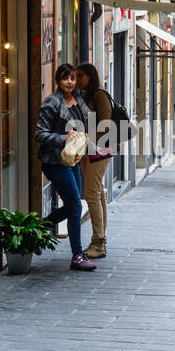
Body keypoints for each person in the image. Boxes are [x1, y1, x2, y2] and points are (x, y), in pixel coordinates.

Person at [36, 63, 97, 271]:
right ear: (58, 80)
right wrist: (63, 137)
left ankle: (39, 228)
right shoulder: (51, 103)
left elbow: (88, 118)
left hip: (73, 160)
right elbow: (40, 134)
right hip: (54, 161)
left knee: (74, 204)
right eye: (65, 78)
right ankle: (77, 256)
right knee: (76, 206)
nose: (69, 82)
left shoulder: (78, 99)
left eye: (72, 78)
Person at [74, 62, 112, 260]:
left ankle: (98, 242)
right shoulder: (82, 96)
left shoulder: (99, 95)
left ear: (91, 76)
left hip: (100, 149)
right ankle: (100, 239)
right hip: (86, 150)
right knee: (97, 192)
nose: (77, 79)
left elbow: (107, 124)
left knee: (91, 193)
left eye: (81, 75)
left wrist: (89, 141)